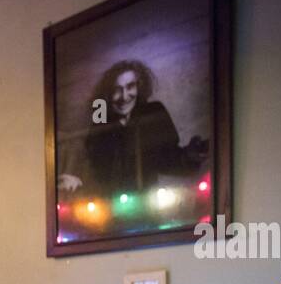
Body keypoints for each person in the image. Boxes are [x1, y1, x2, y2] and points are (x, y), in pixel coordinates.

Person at [58, 60, 208, 196]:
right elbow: (93, 165)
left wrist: (191, 156)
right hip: (106, 211)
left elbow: (168, 159)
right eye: (116, 90)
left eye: (130, 86)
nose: (124, 96)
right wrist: (76, 180)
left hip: (147, 208)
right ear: (108, 94)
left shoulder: (154, 111)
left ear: (139, 86)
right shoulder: (101, 119)